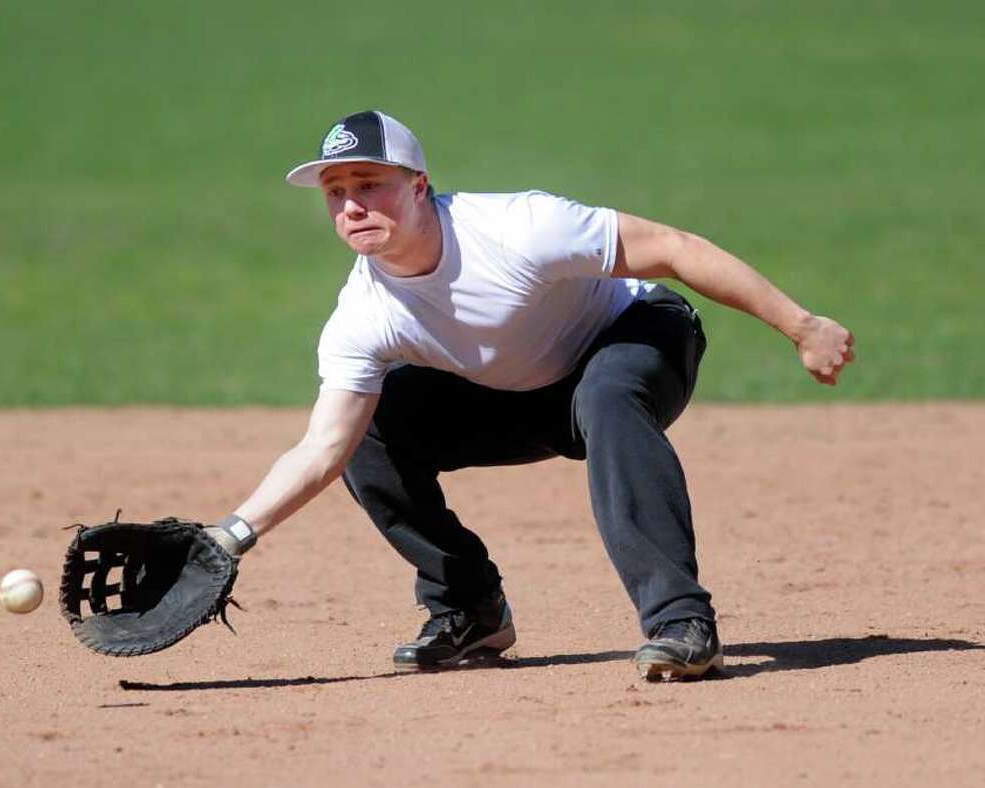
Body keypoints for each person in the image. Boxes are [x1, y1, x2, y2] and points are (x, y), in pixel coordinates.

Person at [205, 110, 855, 680]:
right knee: (370, 427)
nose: (351, 206)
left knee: (606, 394)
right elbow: (322, 447)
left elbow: (675, 249)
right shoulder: (362, 314)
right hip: (525, 394)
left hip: (637, 337)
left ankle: (682, 624)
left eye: (370, 184)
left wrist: (803, 326)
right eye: (336, 191)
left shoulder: (518, 228)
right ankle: (469, 607)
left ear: (419, 185)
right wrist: (229, 536)